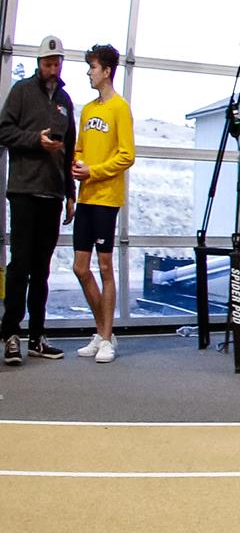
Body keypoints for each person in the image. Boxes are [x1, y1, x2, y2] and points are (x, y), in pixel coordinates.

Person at [0, 36, 76, 366]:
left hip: (52, 193)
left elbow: (70, 150)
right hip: (24, 191)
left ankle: (37, 337)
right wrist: (35, 140)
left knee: (42, 269)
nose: (53, 69)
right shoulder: (21, 91)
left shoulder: (65, 101)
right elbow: (3, 131)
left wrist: (70, 193)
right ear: (39, 63)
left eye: (57, 63)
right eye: (48, 64)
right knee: (20, 265)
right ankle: (10, 335)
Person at [68, 44, 133, 363]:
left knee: (105, 266)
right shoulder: (88, 110)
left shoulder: (120, 108)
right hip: (86, 197)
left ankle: (106, 338)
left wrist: (95, 171)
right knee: (80, 267)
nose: (88, 73)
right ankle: (102, 331)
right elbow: (80, 147)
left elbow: (127, 155)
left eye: (92, 67)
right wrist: (77, 163)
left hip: (107, 199)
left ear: (107, 71)